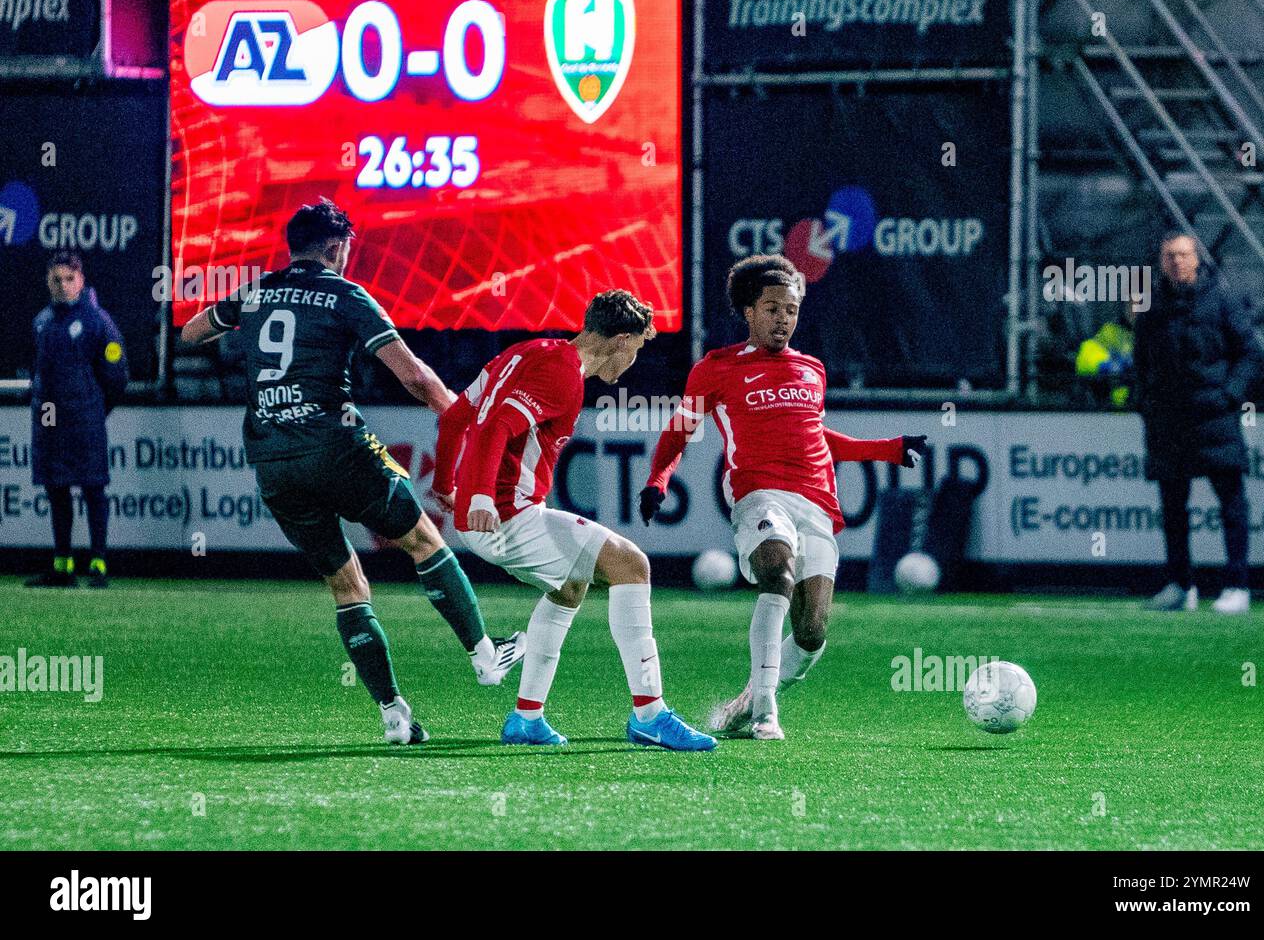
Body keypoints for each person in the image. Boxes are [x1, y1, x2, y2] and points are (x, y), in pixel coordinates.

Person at [180, 199, 524, 745]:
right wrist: (466, 418)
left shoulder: (256, 291)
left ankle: (393, 714)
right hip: (337, 446)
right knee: (424, 542)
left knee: (347, 586)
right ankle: (485, 655)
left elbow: (192, 332)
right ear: (337, 246)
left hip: (273, 460)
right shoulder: (344, 295)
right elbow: (412, 376)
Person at [641, 255, 926, 740]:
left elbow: (814, 438)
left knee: (812, 633)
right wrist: (658, 479)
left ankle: (746, 701)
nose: (783, 320)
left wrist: (888, 450)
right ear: (749, 312)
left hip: (817, 502)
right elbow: (680, 430)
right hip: (759, 494)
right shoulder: (717, 369)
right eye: (772, 309)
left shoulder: (812, 369)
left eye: (790, 310)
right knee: (778, 571)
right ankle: (765, 712)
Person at [433, 289, 716, 751]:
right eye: (638, 349)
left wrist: (446, 483)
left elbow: (455, 418)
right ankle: (650, 714)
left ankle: (527, 718)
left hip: (498, 512)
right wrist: (481, 494)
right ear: (622, 340)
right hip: (505, 517)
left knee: (569, 587)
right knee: (632, 565)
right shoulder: (564, 376)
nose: (634, 361)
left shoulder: (529, 350)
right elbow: (497, 426)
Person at [1132, 231, 1263, 615]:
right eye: (1170, 255)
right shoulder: (1152, 308)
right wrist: (1147, 402)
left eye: (1183, 255)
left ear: (1197, 259)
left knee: (1232, 504)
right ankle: (1180, 584)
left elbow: (1250, 354)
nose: (1177, 262)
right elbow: (1142, 362)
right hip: (1169, 423)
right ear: (1162, 262)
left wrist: (1228, 395)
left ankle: (1237, 585)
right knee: (1173, 507)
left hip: (1215, 419)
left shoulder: (1221, 300)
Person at [27, 252, 128, 589]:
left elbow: (116, 376)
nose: (63, 286)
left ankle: (98, 563)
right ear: (47, 281)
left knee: (92, 487)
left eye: (69, 279)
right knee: (56, 488)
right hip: (51, 421)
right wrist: (44, 419)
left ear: (81, 280)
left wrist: (95, 410)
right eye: (56, 280)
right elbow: (39, 375)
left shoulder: (98, 322)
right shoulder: (42, 321)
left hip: (85, 420)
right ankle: (62, 564)